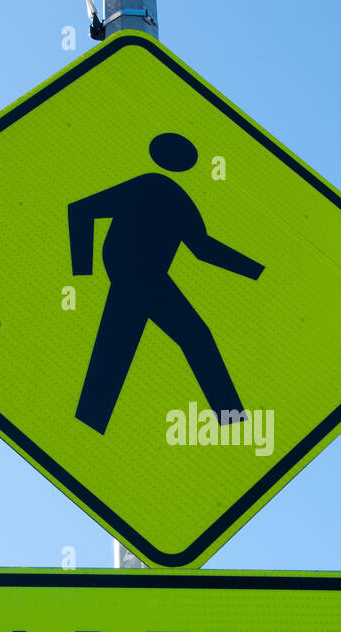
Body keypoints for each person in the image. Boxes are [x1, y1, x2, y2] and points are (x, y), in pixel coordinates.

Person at [68, 133, 264, 434]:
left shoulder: (175, 197)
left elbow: (202, 248)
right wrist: (83, 273)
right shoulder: (150, 185)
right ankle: (232, 420)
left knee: (120, 345)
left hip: (147, 277)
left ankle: (88, 423)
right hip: (134, 273)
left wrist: (255, 271)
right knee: (190, 337)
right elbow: (81, 211)